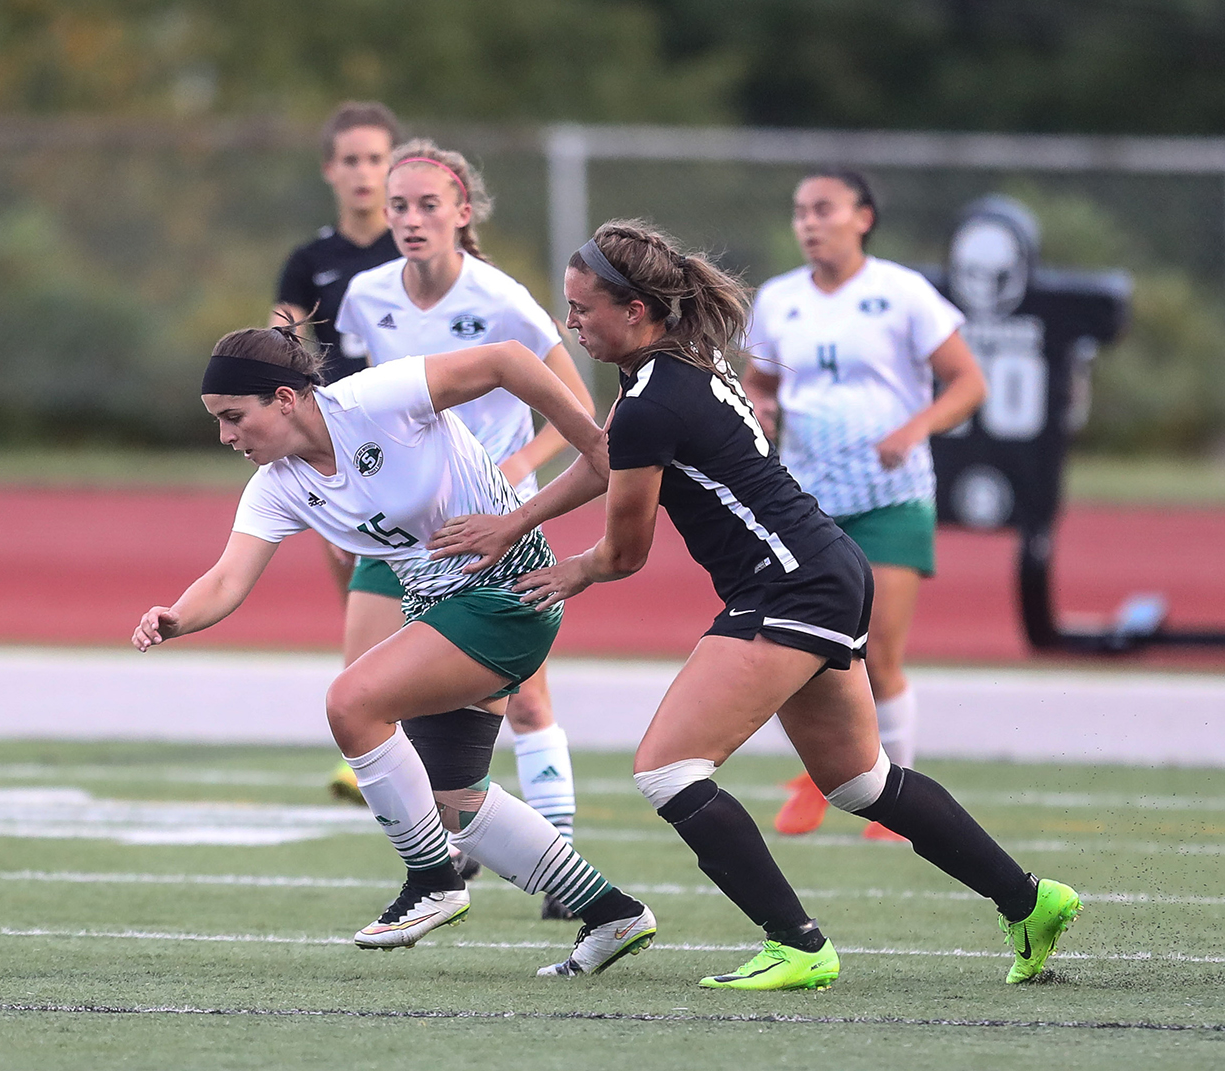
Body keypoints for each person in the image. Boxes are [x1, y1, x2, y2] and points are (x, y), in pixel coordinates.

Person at [426, 221, 1081, 989]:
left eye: (581, 308)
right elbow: (607, 460)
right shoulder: (675, 366)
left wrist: (570, 571)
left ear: (635, 310)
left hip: (788, 584)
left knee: (668, 770)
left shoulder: (652, 399)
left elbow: (625, 552)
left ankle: (796, 944)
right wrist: (513, 521)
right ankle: (1030, 901)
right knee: (861, 783)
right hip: (824, 568)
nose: (570, 323)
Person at [131, 324, 656, 975]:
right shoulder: (277, 483)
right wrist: (176, 618)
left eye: (233, 417)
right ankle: (612, 913)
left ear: (285, 399)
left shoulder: (374, 400)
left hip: (508, 594)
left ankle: (432, 881)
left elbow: (506, 358)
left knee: (350, 702)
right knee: (456, 802)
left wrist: (592, 443)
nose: (225, 436)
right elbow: (226, 580)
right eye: (217, 421)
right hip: (441, 611)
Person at [331, 140, 597, 917]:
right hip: (400, 525)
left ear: (462, 213)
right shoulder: (365, 295)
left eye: (428, 205)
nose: (411, 219)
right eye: (398, 206)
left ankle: (558, 854)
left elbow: (577, 407)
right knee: (367, 690)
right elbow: (355, 403)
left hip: (491, 526)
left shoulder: (501, 298)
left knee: (527, 702)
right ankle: (441, 860)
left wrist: (519, 469)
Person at [742, 170, 988, 842]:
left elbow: (968, 382)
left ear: (863, 217)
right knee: (800, 651)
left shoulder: (902, 292)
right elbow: (759, 382)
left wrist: (915, 428)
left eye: (824, 209)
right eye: (800, 211)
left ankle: (896, 799)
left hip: (890, 499)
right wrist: (760, 406)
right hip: (804, 503)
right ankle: (826, 771)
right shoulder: (780, 299)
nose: (809, 222)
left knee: (876, 652)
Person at [273, 103, 404, 604]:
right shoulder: (309, 261)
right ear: (330, 169)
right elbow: (280, 344)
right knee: (355, 582)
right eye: (351, 160)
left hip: (412, 422)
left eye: (375, 159)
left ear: (394, 165)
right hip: (342, 432)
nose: (363, 172)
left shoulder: (417, 249)